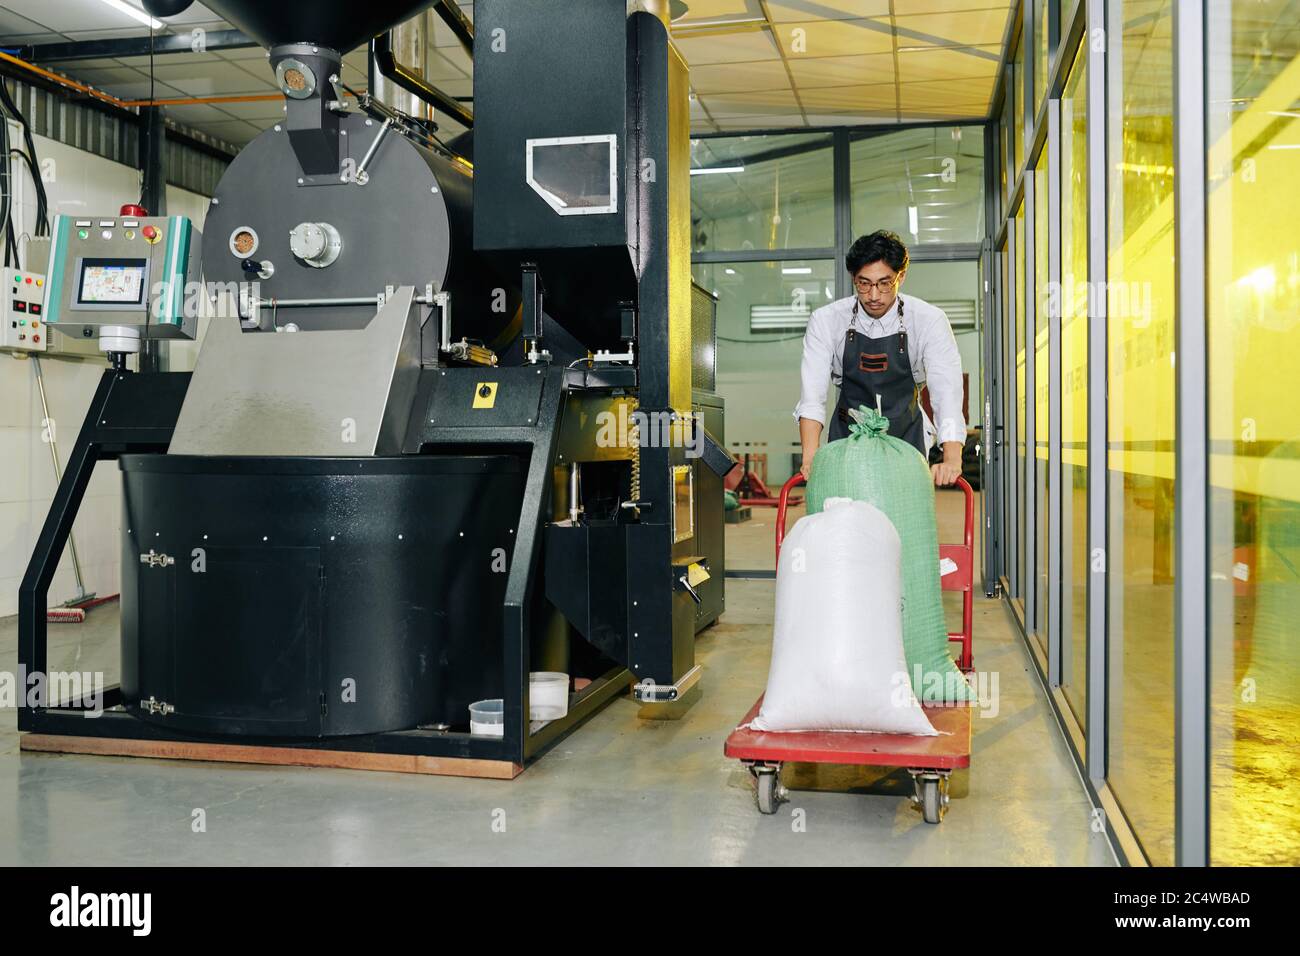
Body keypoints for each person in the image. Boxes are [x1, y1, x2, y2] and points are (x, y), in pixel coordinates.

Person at [793, 230, 966, 486]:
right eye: (864, 283)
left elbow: (946, 392)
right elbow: (812, 397)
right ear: (854, 278)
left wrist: (952, 458)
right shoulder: (827, 320)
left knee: (904, 518)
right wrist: (810, 455)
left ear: (901, 276)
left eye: (885, 283)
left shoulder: (929, 320)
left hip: (906, 438)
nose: (874, 296)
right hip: (846, 439)